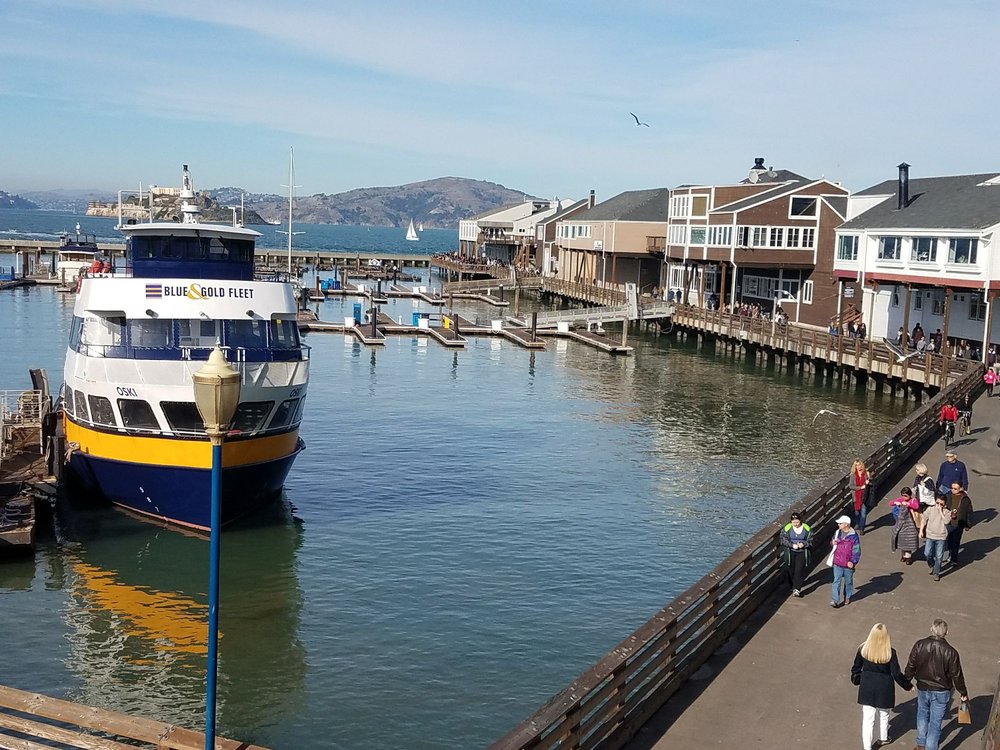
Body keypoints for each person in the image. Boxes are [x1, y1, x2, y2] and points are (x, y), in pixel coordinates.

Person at [904, 619, 969, 750]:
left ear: (931, 629)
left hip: (923, 687)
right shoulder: (951, 652)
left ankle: (921, 744)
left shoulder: (919, 645)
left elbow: (911, 665)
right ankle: (931, 747)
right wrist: (963, 692)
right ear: (946, 632)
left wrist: (906, 681)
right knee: (935, 722)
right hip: (942, 690)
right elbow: (957, 675)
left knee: (922, 714)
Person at [852, 622, 913, 750]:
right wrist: (907, 685)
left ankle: (867, 747)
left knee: (868, 719)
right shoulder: (890, 652)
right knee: (884, 714)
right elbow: (896, 674)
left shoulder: (863, 649)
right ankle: (883, 738)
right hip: (884, 688)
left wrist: (857, 678)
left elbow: (856, 668)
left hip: (867, 686)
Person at [830, 515, 861, 607]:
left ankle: (847, 596)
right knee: (836, 581)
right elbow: (832, 540)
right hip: (838, 562)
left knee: (848, 582)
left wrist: (853, 561)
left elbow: (856, 550)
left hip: (848, 564)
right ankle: (835, 600)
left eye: (840, 523)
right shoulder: (837, 533)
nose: (838, 524)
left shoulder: (853, 537)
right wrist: (832, 542)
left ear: (846, 524)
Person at [779, 512, 812, 597]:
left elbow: (811, 540)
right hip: (790, 552)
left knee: (799, 570)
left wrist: (803, 544)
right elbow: (783, 539)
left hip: (802, 552)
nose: (796, 524)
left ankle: (797, 589)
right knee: (790, 569)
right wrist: (791, 545)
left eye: (797, 522)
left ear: (800, 520)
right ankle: (791, 585)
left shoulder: (807, 528)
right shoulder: (787, 528)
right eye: (793, 522)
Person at [920, 495, 951, 580]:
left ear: (944, 505)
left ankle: (936, 573)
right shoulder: (930, 509)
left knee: (939, 555)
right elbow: (924, 519)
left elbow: (946, 521)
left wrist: (941, 511)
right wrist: (921, 530)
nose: (938, 505)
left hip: (941, 537)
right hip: (930, 535)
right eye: (937, 503)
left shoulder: (947, 512)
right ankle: (932, 564)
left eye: (941, 504)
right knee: (927, 553)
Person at [944, 481, 973, 568]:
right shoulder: (947, 496)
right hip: (948, 522)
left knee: (956, 541)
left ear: (960, 489)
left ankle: (954, 559)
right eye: (952, 488)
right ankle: (951, 552)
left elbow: (969, 512)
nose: (953, 490)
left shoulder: (965, 499)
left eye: (955, 488)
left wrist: (968, 524)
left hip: (959, 523)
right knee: (949, 540)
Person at [889, 487, 920, 564]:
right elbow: (890, 503)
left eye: (906, 495)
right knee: (901, 539)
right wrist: (896, 503)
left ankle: (908, 557)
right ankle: (903, 555)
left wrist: (908, 504)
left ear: (910, 495)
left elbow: (916, 506)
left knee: (908, 540)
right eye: (903, 495)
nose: (904, 497)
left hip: (910, 523)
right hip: (901, 523)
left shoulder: (913, 500)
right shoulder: (901, 499)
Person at [850, 459, 872, 533]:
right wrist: (860, 488)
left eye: (859, 465)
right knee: (857, 513)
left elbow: (872, 484)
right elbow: (851, 486)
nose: (858, 466)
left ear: (862, 465)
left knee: (863, 513)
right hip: (856, 496)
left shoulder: (866, 473)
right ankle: (857, 523)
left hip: (864, 496)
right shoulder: (853, 475)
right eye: (856, 465)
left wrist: (868, 482)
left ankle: (862, 528)